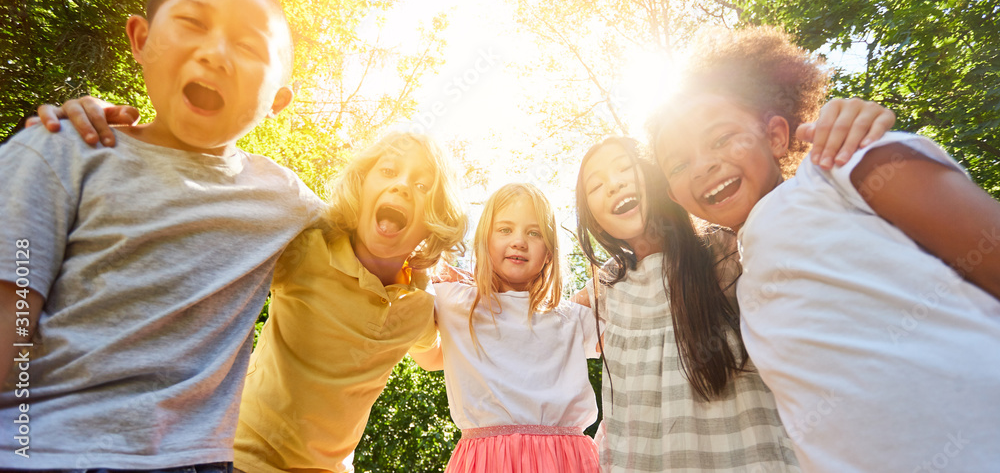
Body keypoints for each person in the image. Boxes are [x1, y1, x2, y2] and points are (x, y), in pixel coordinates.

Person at [0, 0, 321, 470]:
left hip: (195, 460)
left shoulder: (284, 200)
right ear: (141, 39)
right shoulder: (59, 150)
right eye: (193, 23)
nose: (215, 53)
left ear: (279, 98)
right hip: (43, 451)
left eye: (248, 46)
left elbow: (374, 237)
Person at [648, 26, 1000, 472]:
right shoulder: (739, 278)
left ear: (776, 136)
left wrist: (856, 126)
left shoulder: (839, 168)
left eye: (720, 138)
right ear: (678, 198)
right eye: (679, 163)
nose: (704, 165)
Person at [233, 131, 467, 473]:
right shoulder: (306, 247)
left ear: (437, 219)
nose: (401, 186)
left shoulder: (418, 305)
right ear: (361, 185)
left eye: (422, 186)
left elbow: (432, 357)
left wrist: (493, 319)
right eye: (389, 171)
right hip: (244, 455)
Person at [576, 137, 797, 472]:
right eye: (596, 185)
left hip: (750, 456)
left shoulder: (726, 251)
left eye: (624, 168)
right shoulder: (605, 287)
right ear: (592, 218)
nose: (614, 184)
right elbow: (536, 330)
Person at [411, 183, 601, 472]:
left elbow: (629, 319)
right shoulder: (456, 301)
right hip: (486, 461)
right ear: (484, 241)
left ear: (549, 252)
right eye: (504, 230)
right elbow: (426, 353)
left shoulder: (570, 318)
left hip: (565, 461)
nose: (519, 241)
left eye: (534, 233)